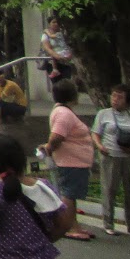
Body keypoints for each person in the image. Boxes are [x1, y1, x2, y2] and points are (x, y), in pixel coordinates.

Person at [90, 83, 130, 236]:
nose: (115, 99)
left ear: (127, 100)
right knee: (109, 189)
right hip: (111, 155)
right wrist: (100, 146)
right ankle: (108, 223)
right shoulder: (104, 114)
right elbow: (95, 133)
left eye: (120, 97)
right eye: (114, 96)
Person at [42, 77, 94, 241]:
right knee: (69, 194)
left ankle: (74, 224)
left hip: (75, 161)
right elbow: (57, 136)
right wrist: (49, 148)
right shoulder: (63, 114)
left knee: (71, 194)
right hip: (70, 161)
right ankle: (69, 227)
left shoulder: (64, 112)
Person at [39, 17, 75, 84]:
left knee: (67, 83)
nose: (56, 24)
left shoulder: (62, 33)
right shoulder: (45, 35)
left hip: (65, 62)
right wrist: (57, 56)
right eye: (53, 22)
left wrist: (69, 55)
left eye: (57, 22)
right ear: (49, 24)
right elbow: (47, 48)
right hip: (53, 62)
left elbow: (68, 45)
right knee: (57, 84)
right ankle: (55, 70)